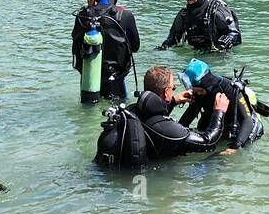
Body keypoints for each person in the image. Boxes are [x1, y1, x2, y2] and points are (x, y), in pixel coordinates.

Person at [96, 65, 229, 169]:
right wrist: (219, 111)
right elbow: (208, 143)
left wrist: (173, 101)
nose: (174, 89)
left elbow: (155, 117)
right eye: (173, 87)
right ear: (166, 92)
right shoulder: (166, 128)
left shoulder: (133, 109)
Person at [71, 0, 140, 100]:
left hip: (88, 79)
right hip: (115, 80)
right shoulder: (125, 15)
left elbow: (75, 47)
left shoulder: (83, 15)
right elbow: (135, 47)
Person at [177, 59, 264, 151]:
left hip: (240, 132)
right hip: (217, 128)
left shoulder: (230, 89)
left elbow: (247, 120)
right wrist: (177, 134)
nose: (192, 90)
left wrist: (235, 147)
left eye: (194, 89)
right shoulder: (200, 92)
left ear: (204, 84)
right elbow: (189, 115)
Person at [154, 0, 241, 53]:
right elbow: (173, 37)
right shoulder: (184, 14)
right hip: (197, 52)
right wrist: (163, 47)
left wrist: (223, 44)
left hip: (219, 54)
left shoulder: (215, 11)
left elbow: (234, 34)